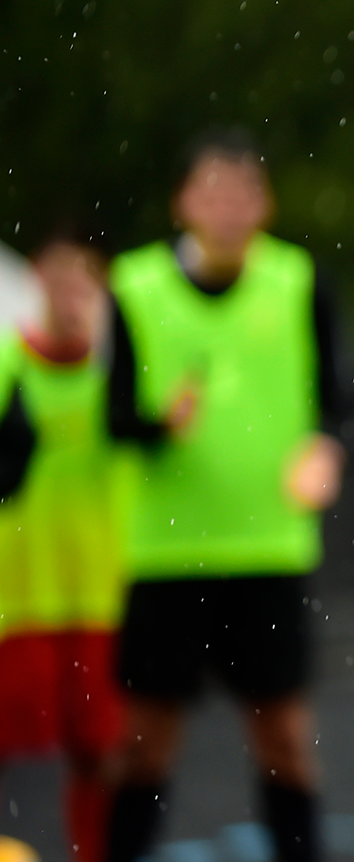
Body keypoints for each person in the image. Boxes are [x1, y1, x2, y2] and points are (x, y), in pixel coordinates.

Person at [102, 130, 354, 862]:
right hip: (167, 554)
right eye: (213, 192)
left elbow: (346, 397)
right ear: (182, 202)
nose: (229, 209)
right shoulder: (135, 287)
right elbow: (113, 418)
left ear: (265, 203)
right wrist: (161, 423)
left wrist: (325, 447)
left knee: (285, 741)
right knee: (144, 746)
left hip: (267, 551)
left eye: (244, 192)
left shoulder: (298, 280)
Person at [0, 238, 132, 862]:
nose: (68, 300)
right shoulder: (8, 366)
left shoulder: (118, 381)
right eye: (56, 285)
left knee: (100, 750)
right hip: (17, 595)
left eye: (81, 287)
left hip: (96, 596)